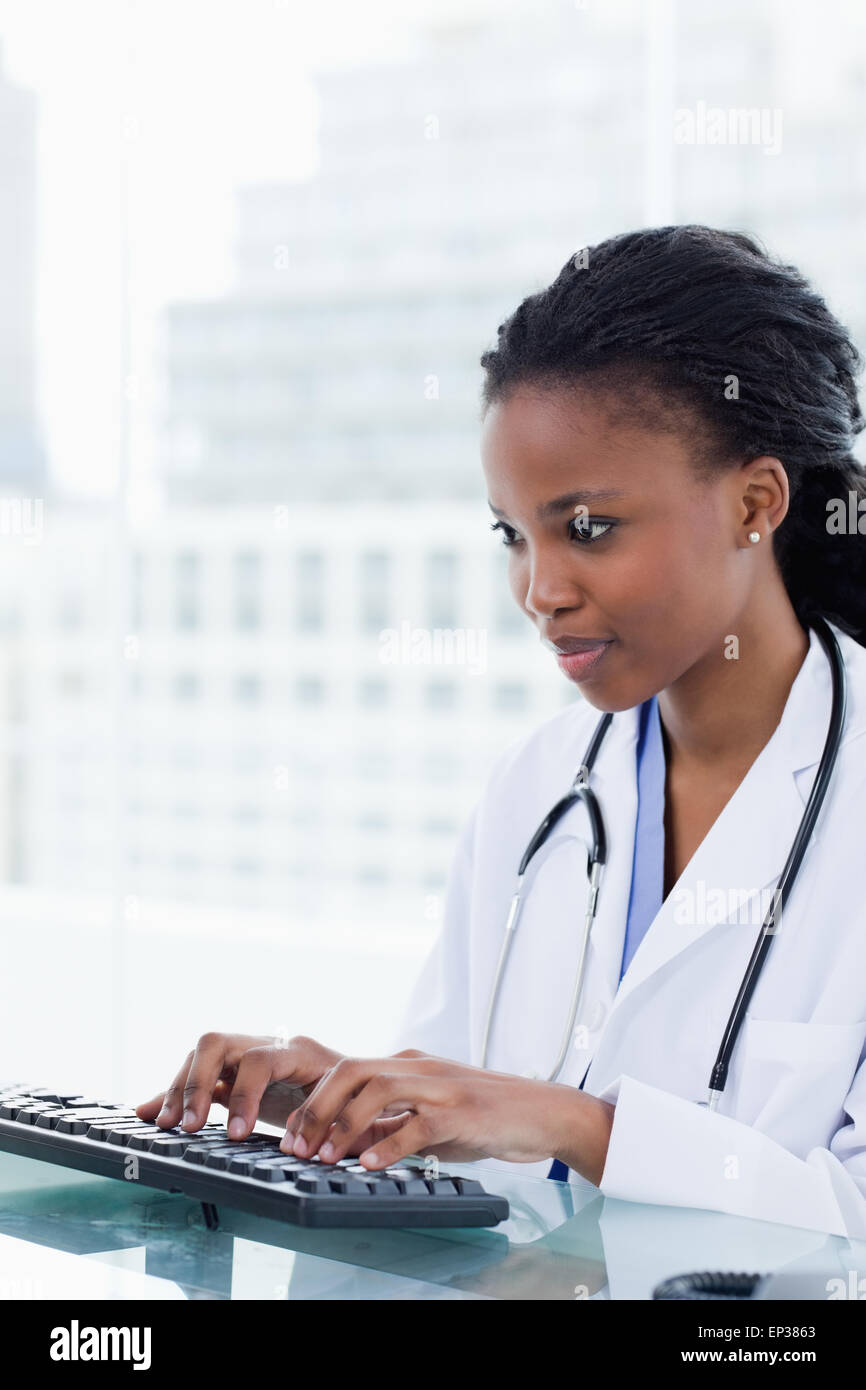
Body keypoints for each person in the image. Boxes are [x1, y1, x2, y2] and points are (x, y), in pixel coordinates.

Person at [138, 225, 866, 1237]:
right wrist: (355, 1109)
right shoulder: (536, 788)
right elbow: (471, 1142)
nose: (538, 591)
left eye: (586, 528)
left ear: (753, 502)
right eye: (511, 536)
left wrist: (570, 1123)